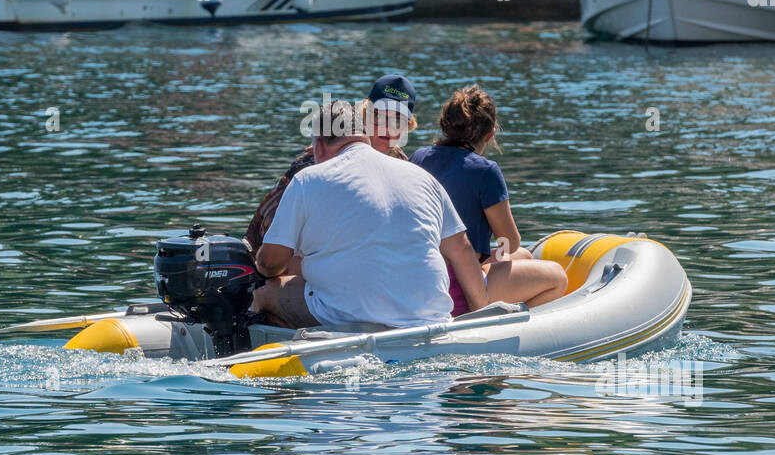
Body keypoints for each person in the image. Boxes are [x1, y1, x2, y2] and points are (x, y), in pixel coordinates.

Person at [252, 99, 487, 330]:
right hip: (430, 318)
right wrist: (481, 319)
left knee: (265, 294)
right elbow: (462, 251)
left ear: (319, 146)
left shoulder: (307, 179)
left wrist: (264, 269)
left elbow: (270, 262)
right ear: (364, 136)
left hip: (348, 318)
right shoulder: (423, 178)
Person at [411, 85, 567, 312]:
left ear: (445, 126)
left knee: (524, 255)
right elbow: (508, 241)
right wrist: (488, 254)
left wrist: (488, 255)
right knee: (557, 278)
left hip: (422, 274)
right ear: (490, 134)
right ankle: (507, 329)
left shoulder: (419, 157)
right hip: (462, 283)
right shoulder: (486, 171)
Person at [243, 73, 419, 254]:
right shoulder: (319, 156)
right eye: (378, 116)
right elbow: (271, 225)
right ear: (364, 115)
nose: (387, 127)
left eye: (397, 120)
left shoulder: (401, 163)